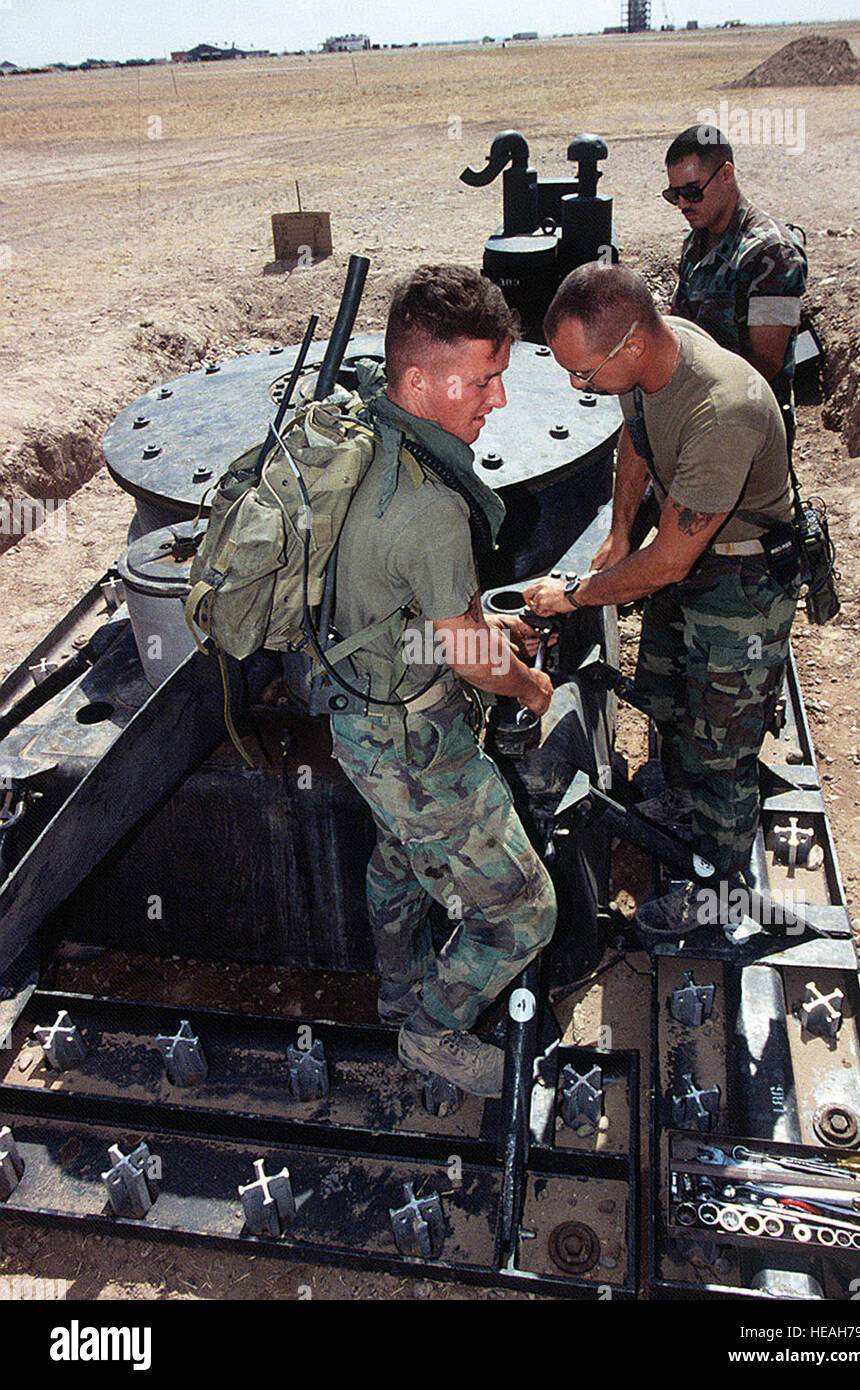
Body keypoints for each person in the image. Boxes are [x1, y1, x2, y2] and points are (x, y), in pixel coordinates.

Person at [329, 265, 557, 1097]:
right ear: (419, 380)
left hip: (362, 720)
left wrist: (476, 623)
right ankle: (430, 1032)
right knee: (523, 910)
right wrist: (530, 688)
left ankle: (398, 992)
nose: (499, 399)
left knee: (398, 858)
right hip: (415, 744)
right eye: (482, 379)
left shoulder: (365, 431)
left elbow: (409, 608)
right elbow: (467, 661)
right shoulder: (428, 505)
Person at [523, 263, 799, 939]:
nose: (577, 386)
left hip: (742, 582)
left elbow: (671, 559)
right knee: (667, 696)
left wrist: (573, 595)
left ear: (633, 345)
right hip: (693, 560)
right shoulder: (650, 362)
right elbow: (637, 439)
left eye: (583, 373)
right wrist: (620, 530)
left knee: (722, 749)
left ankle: (720, 893)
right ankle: (683, 799)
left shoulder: (723, 409)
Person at [664, 125, 808, 452]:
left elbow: (766, 363)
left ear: (726, 174)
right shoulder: (696, 242)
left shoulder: (772, 252)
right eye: (674, 195)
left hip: (749, 426)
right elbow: (680, 328)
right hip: (696, 413)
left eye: (692, 191)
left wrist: (699, 410)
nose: (683, 204)